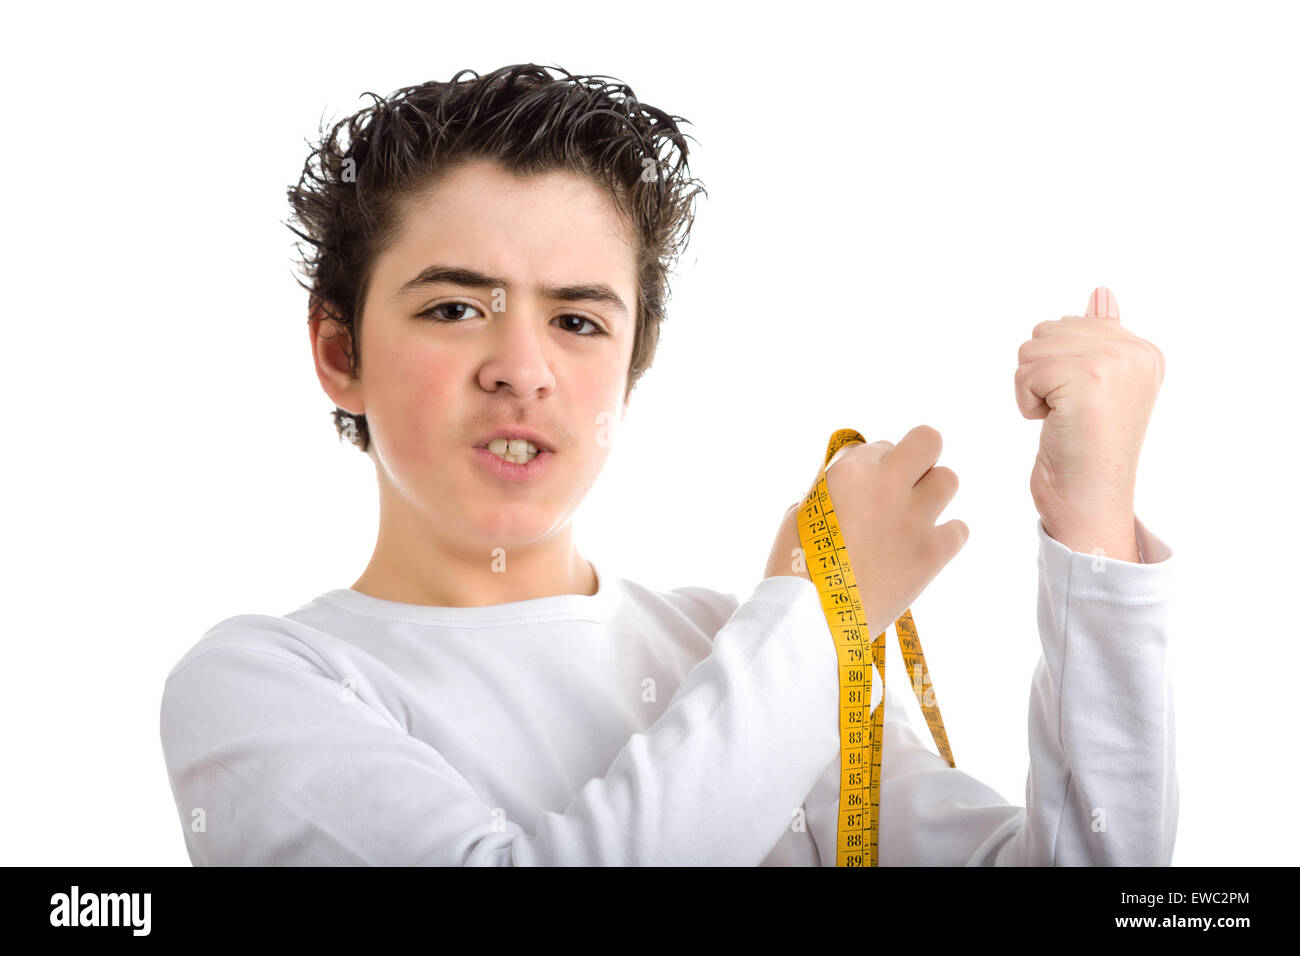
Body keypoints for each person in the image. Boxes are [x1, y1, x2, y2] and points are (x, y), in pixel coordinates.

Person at [158, 63, 1175, 866]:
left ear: (631, 367)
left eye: (577, 319)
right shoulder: (263, 683)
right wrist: (819, 614)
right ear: (341, 353)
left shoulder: (733, 640)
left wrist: (1092, 522)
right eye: (455, 307)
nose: (523, 370)